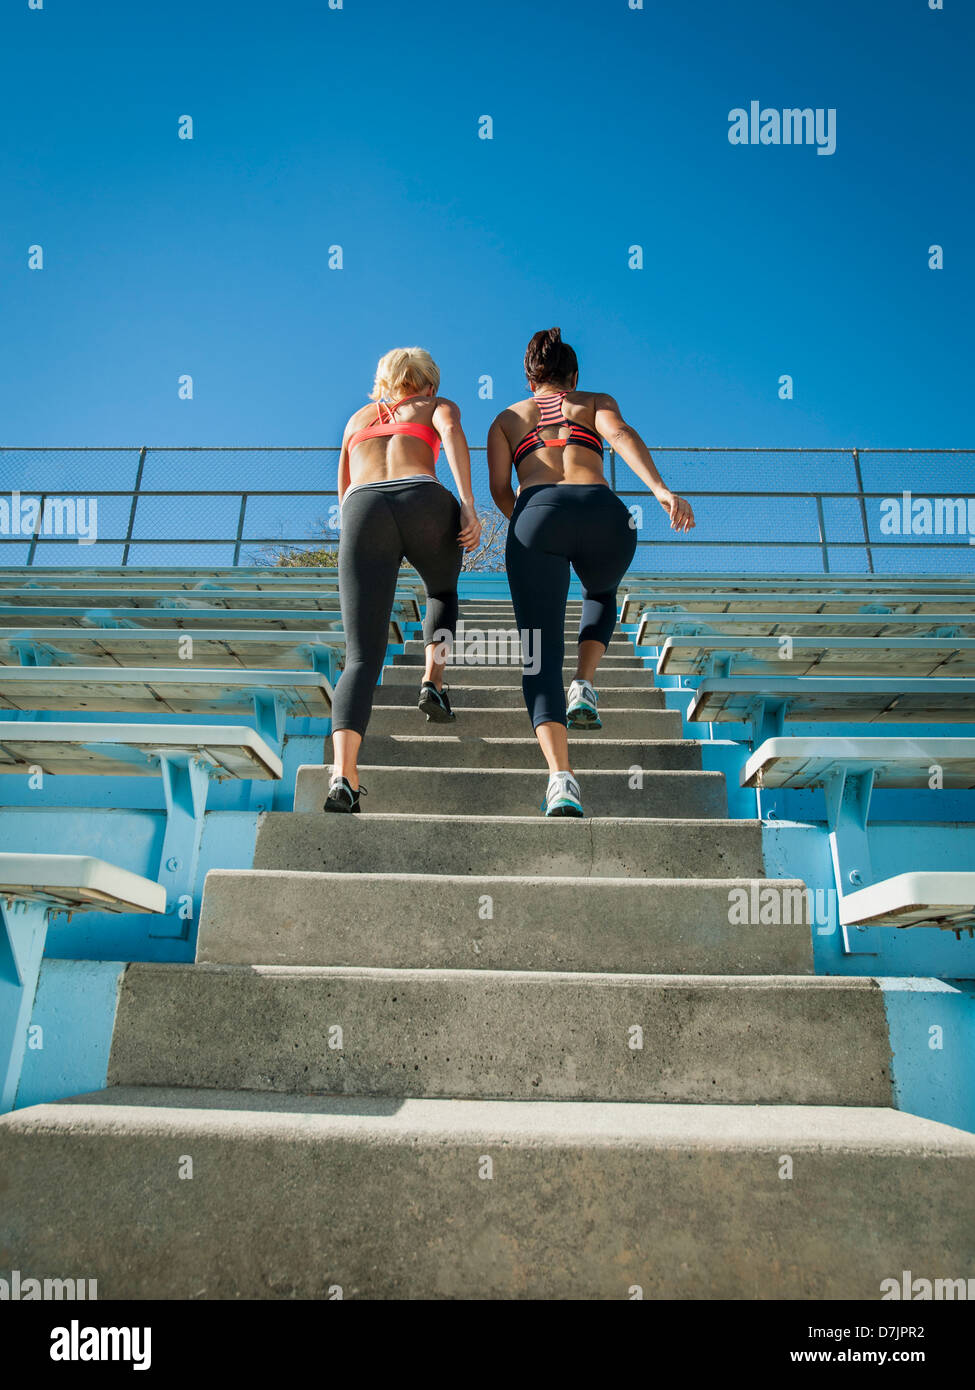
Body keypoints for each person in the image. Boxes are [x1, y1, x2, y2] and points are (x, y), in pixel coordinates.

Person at [488, 327, 694, 817]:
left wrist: (534, 520)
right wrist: (661, 491)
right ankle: (584, 681)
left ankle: (561, 778)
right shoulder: (594, 399)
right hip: (606, 512)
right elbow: (620, 435)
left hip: (536, 511)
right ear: (573, 375)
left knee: (538, 651)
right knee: (601, 588)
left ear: (528, 379)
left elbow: (500, 488)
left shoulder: (506, 419)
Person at [325, 347, 481, 812]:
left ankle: (343, 777)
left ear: (385, 381)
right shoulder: (438, 406)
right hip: (423, 497)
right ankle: (433, 680)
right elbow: (452, 439)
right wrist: (468, 504)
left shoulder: (357, 418)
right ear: (429, 382)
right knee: (442, 589)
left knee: (360, 659)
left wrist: (361, 532)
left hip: (363, 506)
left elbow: (345, 487)